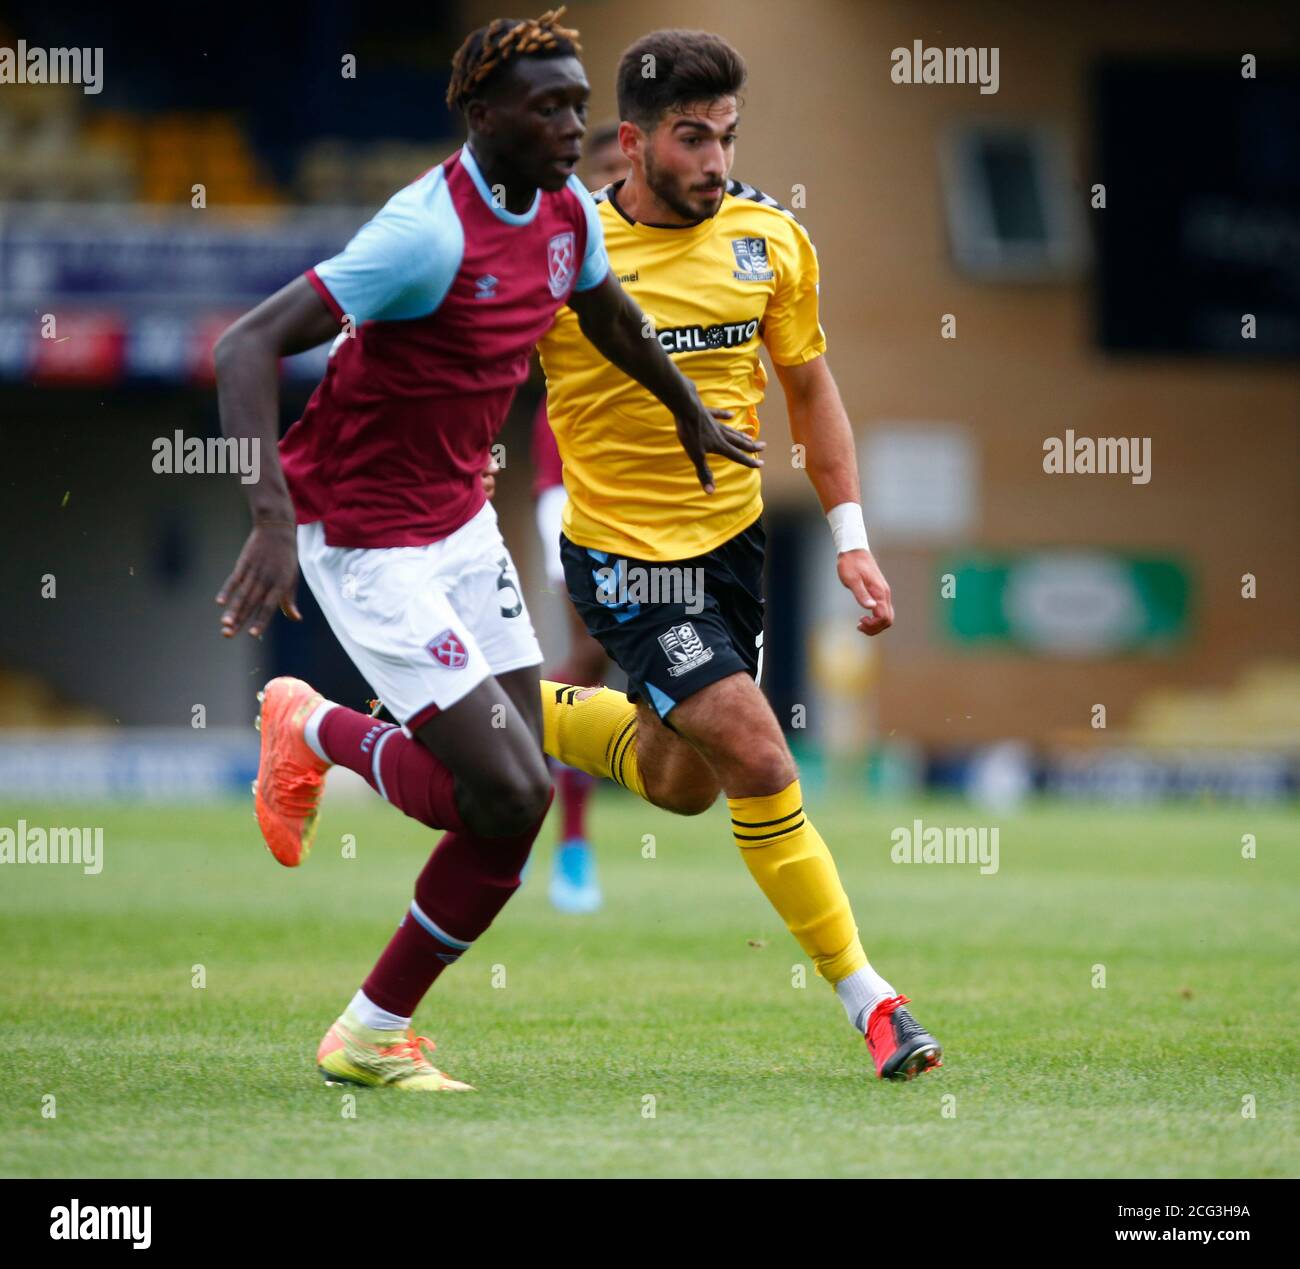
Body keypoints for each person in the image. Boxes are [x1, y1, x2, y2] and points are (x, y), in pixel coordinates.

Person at [212, 8, 760, 1091]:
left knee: (515, 787)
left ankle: (370, 1022)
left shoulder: (564, 212)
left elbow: (609, 318)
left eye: (577, 101)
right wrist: (271, 518)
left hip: (459, 517)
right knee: (511, 794)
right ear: (480, 115)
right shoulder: (423, 233)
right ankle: (317, 739)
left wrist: (687, 409)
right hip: (364, 534)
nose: (573, 124)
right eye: (548, 105)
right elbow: (247, 344)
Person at [534, 29, 942, 1080]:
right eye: (690, 138)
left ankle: (475, 706)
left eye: (725, 136)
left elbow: (811, 390)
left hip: (732, 547)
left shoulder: (771, 238)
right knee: (762, 754)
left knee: (682, 784)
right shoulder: (559, 246)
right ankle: (875, 1002)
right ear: (630, 141)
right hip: (622, 551)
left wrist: (850, 540)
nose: (715, 161)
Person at [531, 122, 629, 914]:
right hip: (569, 478)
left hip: (655, 486)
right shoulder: (563, 241)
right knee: (592, 648)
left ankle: (492, 718)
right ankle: (570, 846)